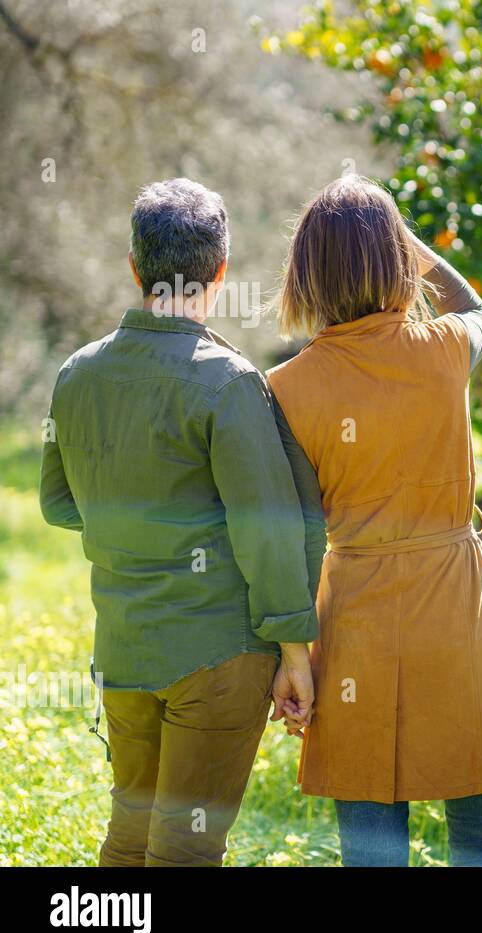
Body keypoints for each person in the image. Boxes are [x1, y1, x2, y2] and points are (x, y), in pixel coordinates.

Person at [39, 178, 319, 866]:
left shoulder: (77, 375)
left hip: (125, 652)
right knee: (187, 849)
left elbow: (58, 503)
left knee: (131, 838)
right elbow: (266, 528)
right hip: (218, 657)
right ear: (220, 272)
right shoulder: (225, 381)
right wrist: (294, 653)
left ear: (135, 268)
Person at [267, 175, 482, 867]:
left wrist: (292, 658)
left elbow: (291, 537)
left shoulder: (286, 389)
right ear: (397, 260)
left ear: (306, 274)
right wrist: (413, 249)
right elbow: (477, 306)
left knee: (373, 857)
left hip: (354, 618)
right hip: (457, 610)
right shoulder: (446, 349)